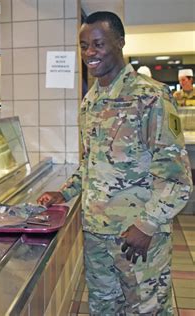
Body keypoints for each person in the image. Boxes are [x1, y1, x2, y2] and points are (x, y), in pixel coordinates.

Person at [37, 12, 192, 315]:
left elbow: (176, 178)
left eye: (97, 44)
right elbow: (92, 164)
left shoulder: (150, 97)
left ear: (120, 42)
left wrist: (147, 225)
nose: (89, 53)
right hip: (97, 236)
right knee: (104, 309)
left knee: (147, 310)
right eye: (83, 46)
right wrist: (65, 192)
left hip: (138, 237)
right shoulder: (91, 101)